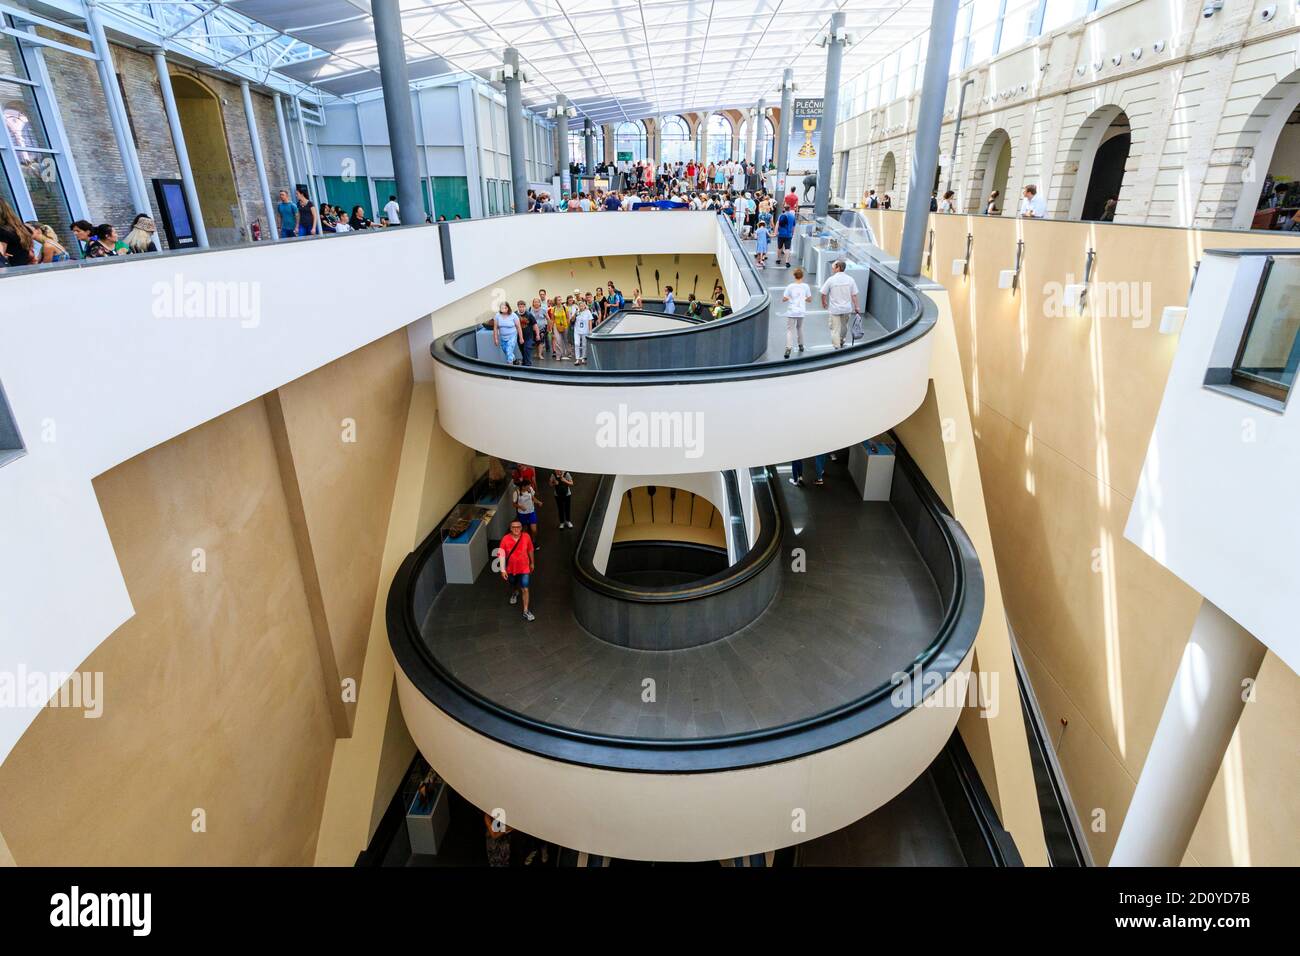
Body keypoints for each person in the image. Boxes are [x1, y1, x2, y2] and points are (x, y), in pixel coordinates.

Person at [820, 259, 860, 349]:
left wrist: (824, 302)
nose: (833, 269)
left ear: (838, 268)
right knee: (844, 327)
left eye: (834, 267)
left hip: (835, 309)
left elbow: (823, 293)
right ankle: (842, 340)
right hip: (846, 309)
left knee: (835, 329)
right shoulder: (850, 279)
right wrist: (857, 306)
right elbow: (854, 295)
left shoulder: (831, 280)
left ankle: (837, 346)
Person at [783, 266, 811, 359]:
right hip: (801, 311)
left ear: (794, 276)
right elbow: (809, 299)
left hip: (792, 311)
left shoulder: (790, 286)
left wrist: (789, 298)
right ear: (802, 276)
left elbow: (784, 299)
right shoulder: (806, 286)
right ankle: (801, 345)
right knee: (799, 327)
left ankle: (788, 348)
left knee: (790, 330)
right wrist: (803, 298)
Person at [0, 198, 34, 266]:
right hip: (23, 269)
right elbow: (31, 255)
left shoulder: (2, 232)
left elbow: (1, 256)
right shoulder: (23, 229)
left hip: (10, 272)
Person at [512, 478, 541, 552]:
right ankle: (525, 543)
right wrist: (520, 506)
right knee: (524, 530)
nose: (530, 487)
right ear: (523, 486)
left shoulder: (530, 489)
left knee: (534, 530)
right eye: (528, 486)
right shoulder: (517, 493)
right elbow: (514, 504)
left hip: (531, 512)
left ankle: (533, 542)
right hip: (522, 514)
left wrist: (538, 502)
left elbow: (533, 498)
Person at [572, 298, 593, 365]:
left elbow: (590, 321)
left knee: (584, 344)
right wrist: (575, 313)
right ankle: (577, 359)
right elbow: (572, 320)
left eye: (582, 306)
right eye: (580, 306)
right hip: (577, 330)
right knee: (576, 343)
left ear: (584, 306)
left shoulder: (588, 312)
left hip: (585, 330)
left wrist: (590, 330)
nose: (581, 307)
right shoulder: (576, 312)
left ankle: (583, 358)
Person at [516, 299, 536, 367]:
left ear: (525, 307)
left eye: (523, 306)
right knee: (522, 350)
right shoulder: (515, 314)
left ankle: (528, 364)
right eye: (520, 307)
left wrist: (538, 334)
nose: (521, 308)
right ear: (518, 307)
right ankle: (525, 362)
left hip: (529, 336)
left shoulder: (529, 314)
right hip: (519, 336)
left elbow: (534, 324)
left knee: (527, 349)